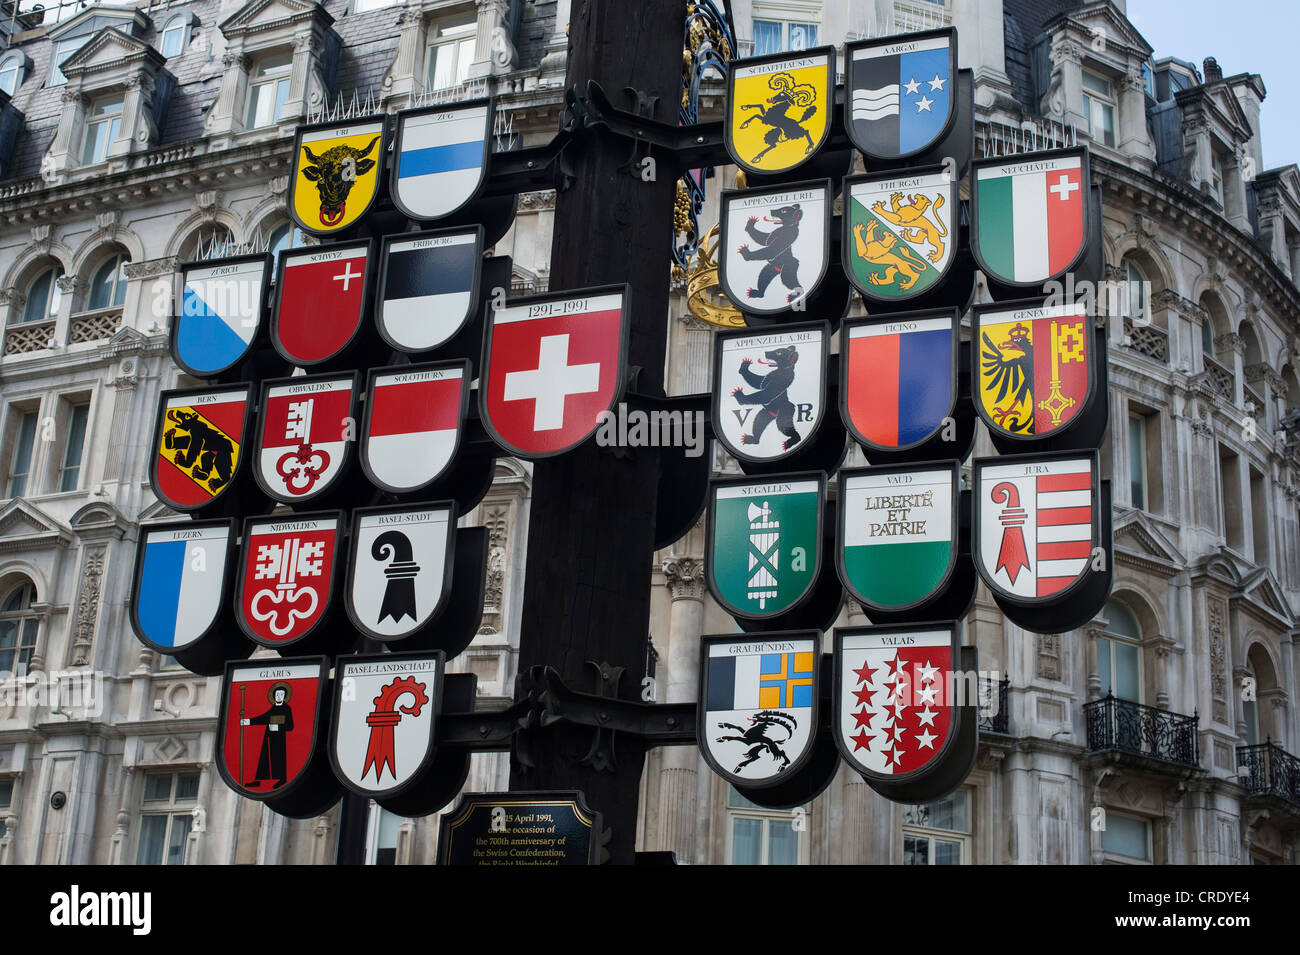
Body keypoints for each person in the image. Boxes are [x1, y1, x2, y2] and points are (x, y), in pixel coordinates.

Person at [242, 682, 294, 789]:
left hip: (279, 738)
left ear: (284, 696)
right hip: (269, 737)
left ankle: (282, 779)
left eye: (281, 694)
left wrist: (278, 727)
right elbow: (263, 718)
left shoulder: (287, 709)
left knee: (279, 758)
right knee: (264, 758)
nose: (279, 696)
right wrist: (248, 721)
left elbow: (290, 726)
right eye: (277, 694)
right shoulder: (273, 708)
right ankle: (259, 781)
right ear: (274, 696)